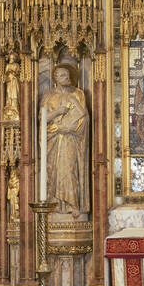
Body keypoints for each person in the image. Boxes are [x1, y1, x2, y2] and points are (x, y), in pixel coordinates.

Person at [41, 63, 90, 216]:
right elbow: (41, 119)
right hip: (54, 139)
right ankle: (55, 204)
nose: (66, 77)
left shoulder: (78, 94)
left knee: (70, 170)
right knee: (53, 172)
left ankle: (73, 204)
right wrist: (57, 112)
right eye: (62, 75)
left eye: (67, 75)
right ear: (55, 78)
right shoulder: (49, 95)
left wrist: (72, 128)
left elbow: (85, 118)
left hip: (71, 139)